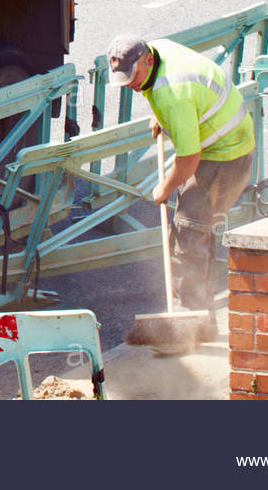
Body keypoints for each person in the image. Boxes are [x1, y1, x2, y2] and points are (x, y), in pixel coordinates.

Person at [107, 34, 255, 330]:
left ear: (147, 60)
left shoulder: (172, 94)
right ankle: (198, 317)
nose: (132, 86)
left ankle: (192, 324)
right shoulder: (158, 52)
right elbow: (165, 90)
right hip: (228, 137)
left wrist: (165, 188)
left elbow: (188, 160)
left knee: (189, 232)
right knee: (197, 229)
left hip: (226, 156)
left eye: (133, 78)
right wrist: (159, 114)